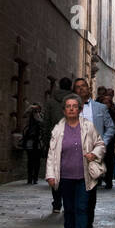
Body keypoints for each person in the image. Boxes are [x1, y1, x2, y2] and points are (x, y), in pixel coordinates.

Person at [45, 94, 105, 228]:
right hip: (65, 176)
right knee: (69, 209)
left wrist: (94, 153)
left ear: (79, 109)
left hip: (83, 175)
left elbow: (100, 143)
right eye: (68, 106)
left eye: (74, 106)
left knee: (81, 207)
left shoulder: (88, 127)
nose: (71, 109)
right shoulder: (58, 130)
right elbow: (52, 154)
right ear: (64, 110)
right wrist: (50, 175)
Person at [73, 78, 115, 228]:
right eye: (77, 87)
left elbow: (110, 127)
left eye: (83, 86)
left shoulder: (100, 108)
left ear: (89, 89)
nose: (81, 89)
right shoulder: (69, 108)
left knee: (90, 190)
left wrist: (102, 143)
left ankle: (88, 221)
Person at [42, 77, 72, 213]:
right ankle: (68, 200)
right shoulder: (74, 101)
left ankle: (57, 203)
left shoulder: (51, 102)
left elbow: (46, 122)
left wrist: (45, 141)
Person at [21, 104, 44, 184]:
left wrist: (37, 114)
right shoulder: (29, 116)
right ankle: (30, 178)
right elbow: (23, 116)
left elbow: (42, 123)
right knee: (30, 160)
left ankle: (35, 178)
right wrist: (29, 108)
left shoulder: (41, 116)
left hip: (38, 142)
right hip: (30, 141)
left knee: (37, 161)